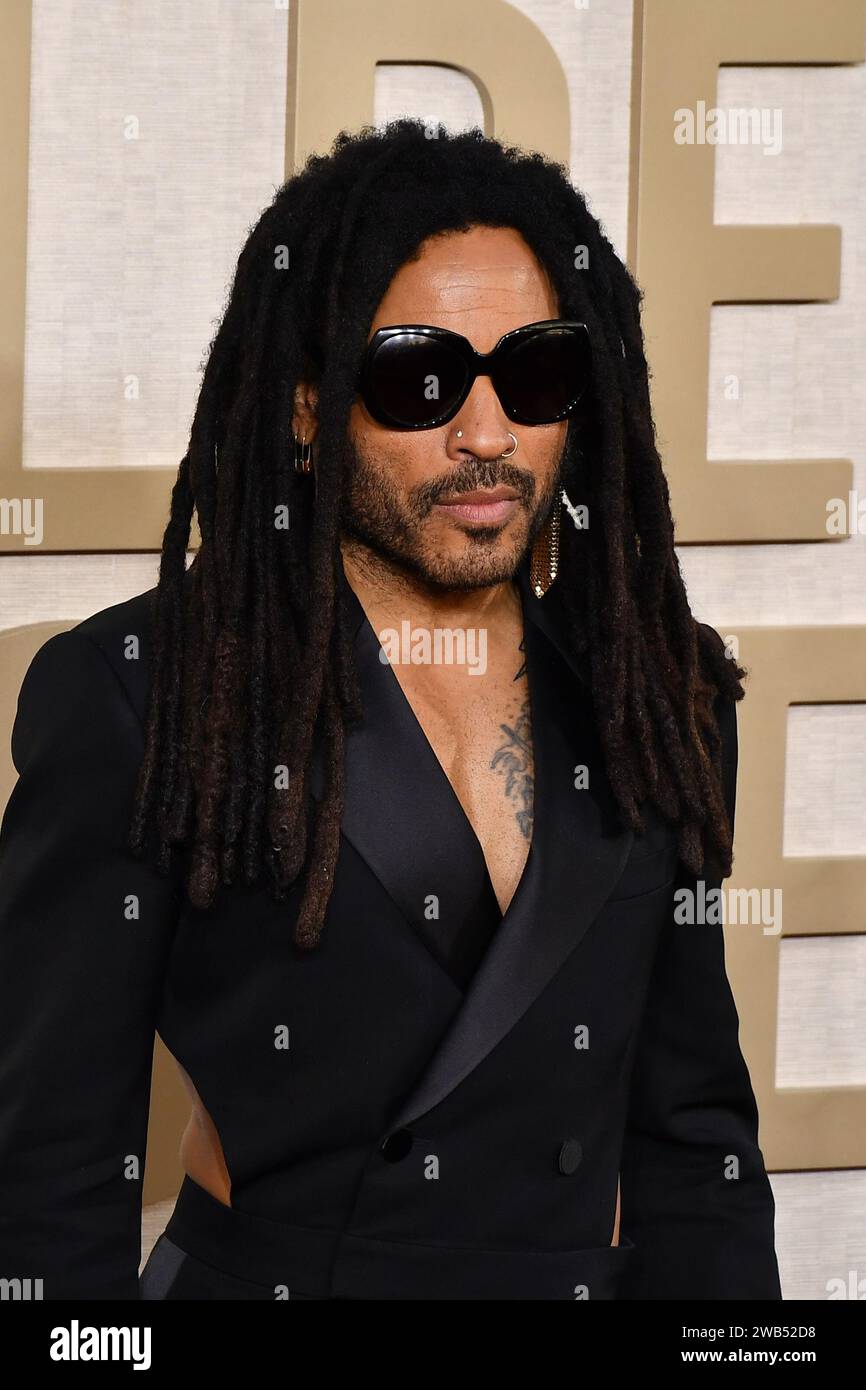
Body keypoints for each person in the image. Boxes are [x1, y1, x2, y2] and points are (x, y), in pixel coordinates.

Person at [0, 120, 782, 1301]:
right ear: (309, 406)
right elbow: (49, 1176)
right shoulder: (143, 695)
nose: (485, 435)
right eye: (420, 379)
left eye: (533, 374)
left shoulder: (656, 697)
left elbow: (692, 1139)